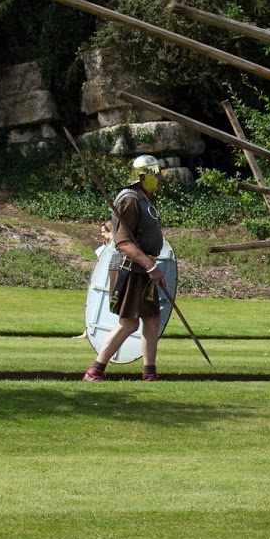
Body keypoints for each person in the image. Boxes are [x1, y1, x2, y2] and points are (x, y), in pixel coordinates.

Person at [83, 155, 167, 382]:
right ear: (143, 176)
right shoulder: (130, 200)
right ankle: (94, 371)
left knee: (152, 319)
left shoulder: (143, 198)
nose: (159, 179)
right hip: (131, 269)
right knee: (129, 322)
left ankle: (149, 373)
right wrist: (150, 266)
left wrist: (152, 267)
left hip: (143, 269)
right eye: (156, 175)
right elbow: (123, 242)